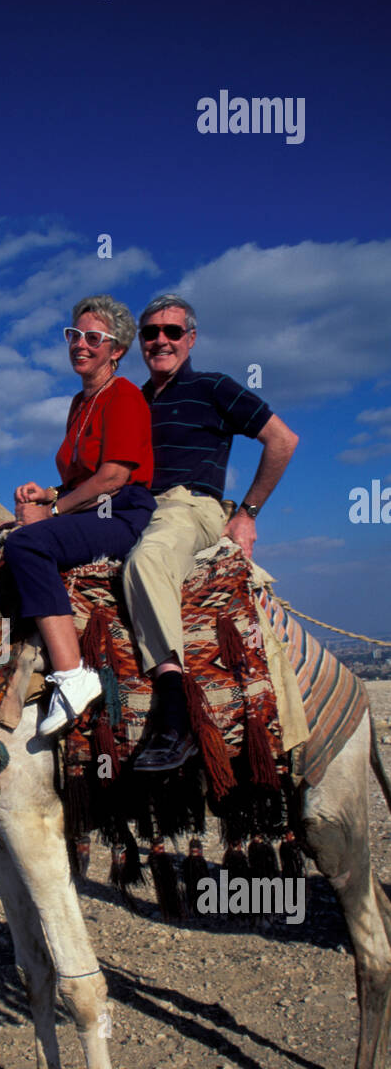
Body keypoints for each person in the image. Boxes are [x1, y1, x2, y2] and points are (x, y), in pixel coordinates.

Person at [122, 294, 299, 770]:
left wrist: (248, 513)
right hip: (129, 507)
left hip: (187, 505)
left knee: (148, 560)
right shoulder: (132, 402)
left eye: (172, 332)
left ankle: (175, 710)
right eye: (151, 332)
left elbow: (282, 439)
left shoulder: (214, 387)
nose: (161, 340)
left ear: (191, 338)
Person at [0, 295, 156, 737]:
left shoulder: (124, 396)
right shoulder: (79, 403)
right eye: (74, 335)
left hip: (121, 511)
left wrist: (50, 511)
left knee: (27, 543)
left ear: (117, 350)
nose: (79, 345)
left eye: (93, 338)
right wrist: (46, 494)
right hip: (88, 508)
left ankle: (72, 675)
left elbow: (111, 478)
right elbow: (78, 477)